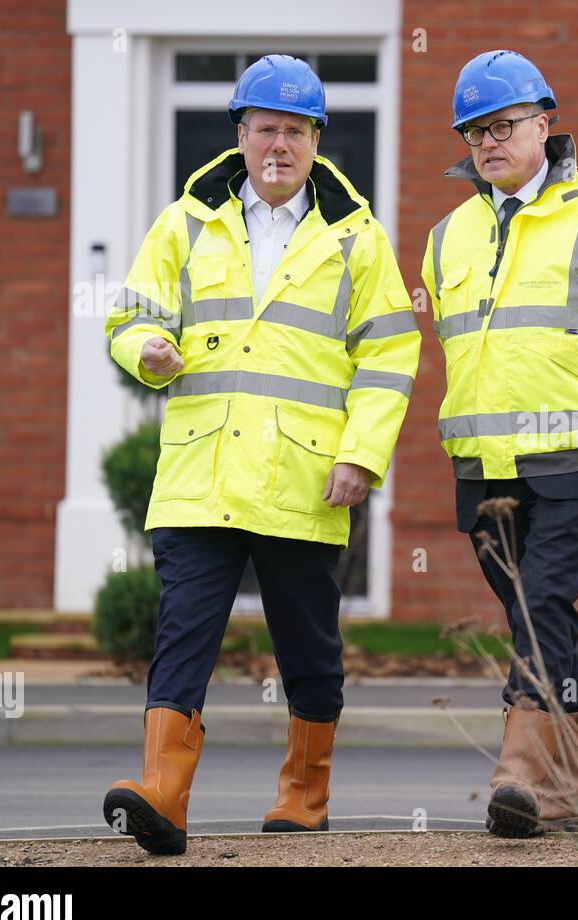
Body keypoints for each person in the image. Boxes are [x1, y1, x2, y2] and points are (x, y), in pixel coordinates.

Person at [102, 55, 420, 854]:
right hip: (199, 477)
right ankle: (163, 795)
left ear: (317, 140)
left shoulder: (356, 239)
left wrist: (363, 455)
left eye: (295, 130)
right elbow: (129, 315)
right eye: (265, 128)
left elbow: (388, 358)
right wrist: (148, 350)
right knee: (183, 634)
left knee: (309, 647)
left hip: (307, 480)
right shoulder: (185, 222)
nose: (279, 143)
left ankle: (303, 794)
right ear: (240, 134)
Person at [422, 49, 578, 839]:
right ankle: (570, 785)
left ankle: (522, 765)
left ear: (544, 124)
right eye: (474, 131)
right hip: (482, 461)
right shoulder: (446, 235)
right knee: (537, 615)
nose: (487, 142)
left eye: (503, 125)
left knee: (542, 599)